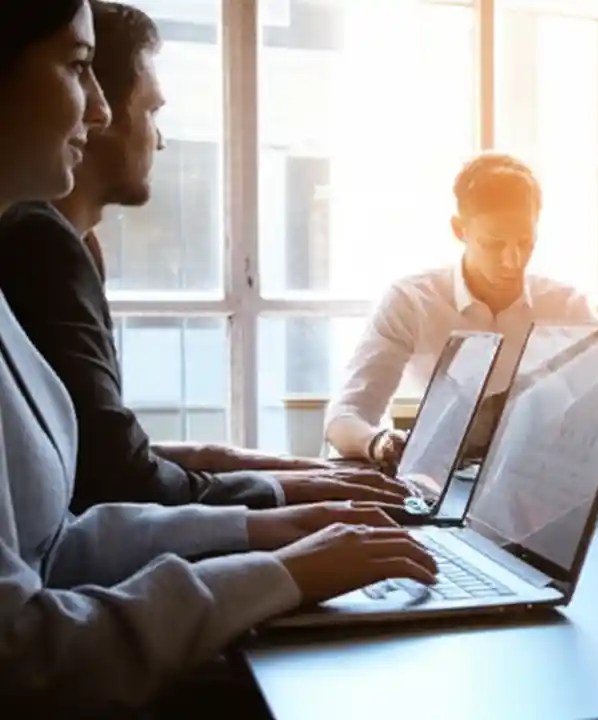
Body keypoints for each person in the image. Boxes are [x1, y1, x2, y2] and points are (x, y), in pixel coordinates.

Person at [0, 1, 438, 711]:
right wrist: (278, 569)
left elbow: (54, 545)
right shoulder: (39, 245)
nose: (102, 114)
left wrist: (264, 529)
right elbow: (22, 655)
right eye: (79, 68)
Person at [0, 1, 411, 513]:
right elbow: (115, 476)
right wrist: (284, 500)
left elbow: (98, 449)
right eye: (151, 111)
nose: (161, 138)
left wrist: (287, 471)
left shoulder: (72, 243)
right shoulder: (40, 244)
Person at [325, 152, 596, 470]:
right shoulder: (411, 301)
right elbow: (344, 416)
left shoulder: (568, 307)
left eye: (525, 242)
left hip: (540, 476)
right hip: (437, 478)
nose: (513, 260)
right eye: (494, 244)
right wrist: (379, 442)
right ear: (460, 230)